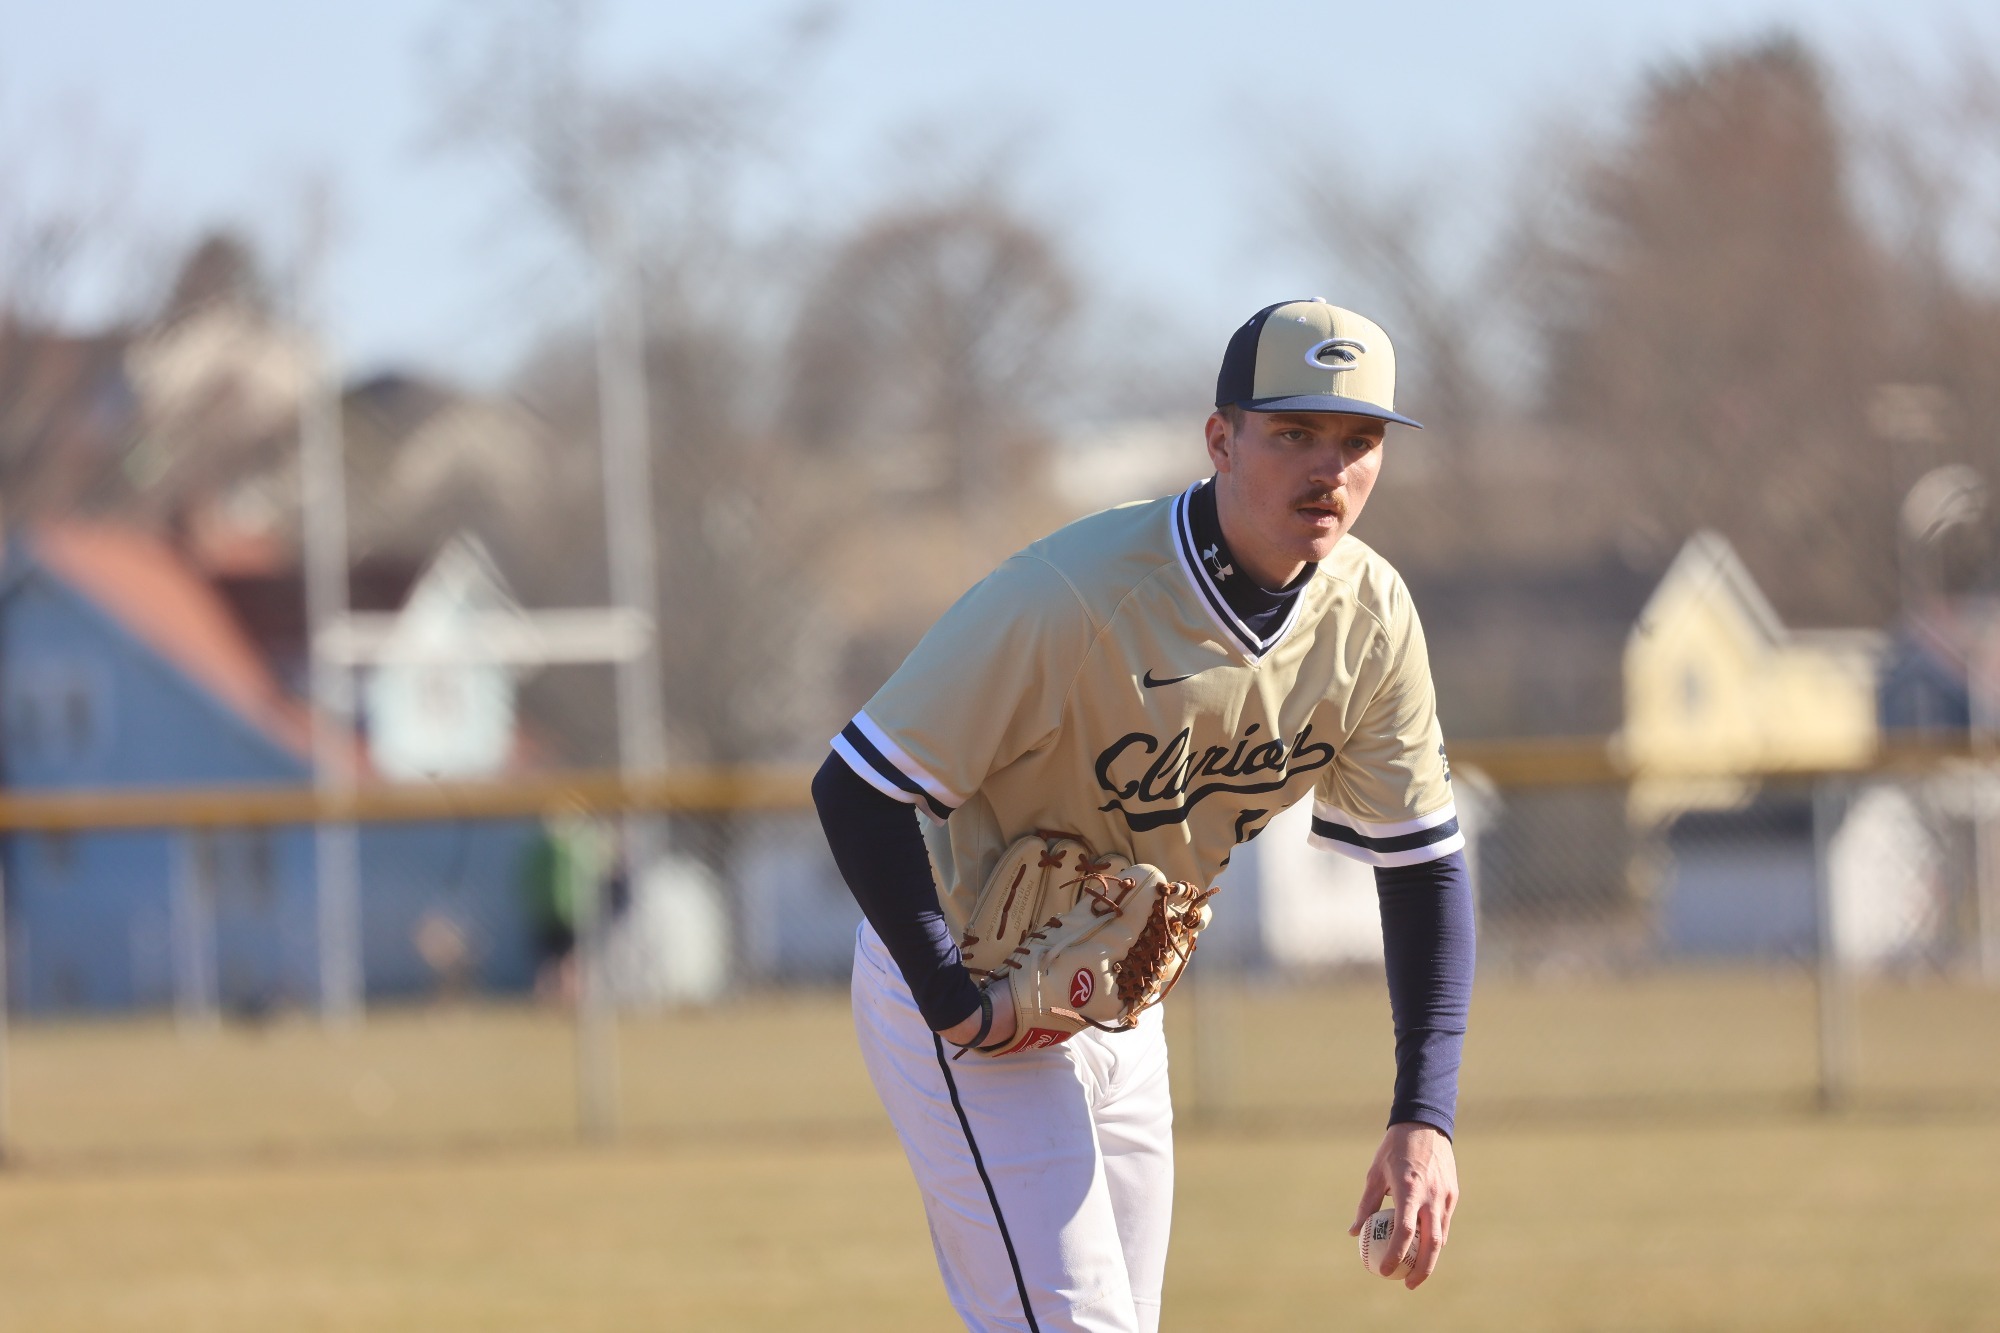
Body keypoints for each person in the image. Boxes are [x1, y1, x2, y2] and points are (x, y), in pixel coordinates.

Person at [813, 299, 1475, 1332]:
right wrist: (952, 1000)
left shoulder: (1370, 618)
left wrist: (1423, 1115)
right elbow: (856, 785)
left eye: (1358, 440)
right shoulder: (1071, 596)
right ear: (1220, 439)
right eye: (1293, 432)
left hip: (1120, 987)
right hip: (972, 975)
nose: (1329, 467)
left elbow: (1422, 862)